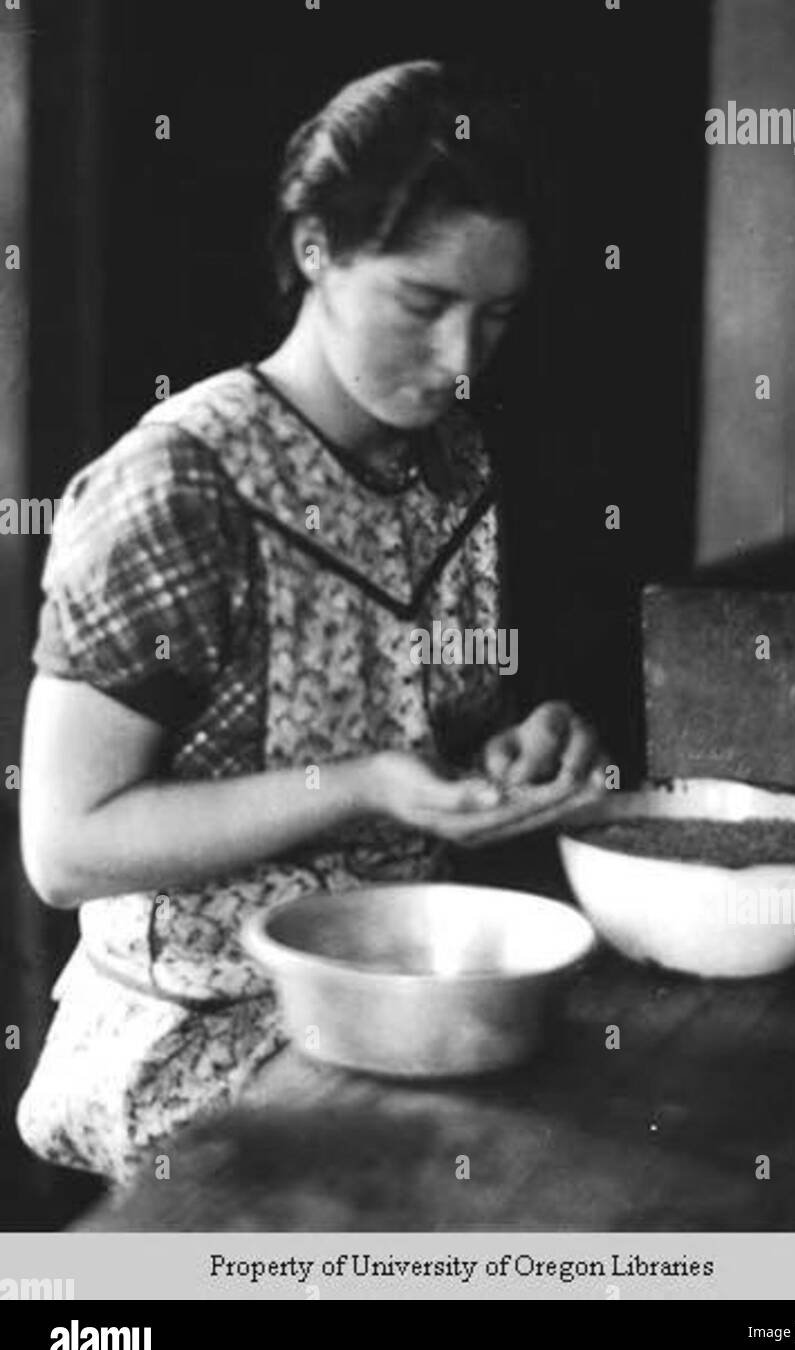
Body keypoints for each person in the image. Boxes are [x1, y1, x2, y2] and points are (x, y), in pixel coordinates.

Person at [16, 59, 606, 1184]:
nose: (461, 362)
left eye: (499, 317)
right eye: (424, 305)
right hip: (196, 1035)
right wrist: (364, 785)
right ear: (316, 253)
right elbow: (65, 845)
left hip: (406, 997)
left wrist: (509, 755)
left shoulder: (453, 466)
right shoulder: (180, 490)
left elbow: (434, 737)